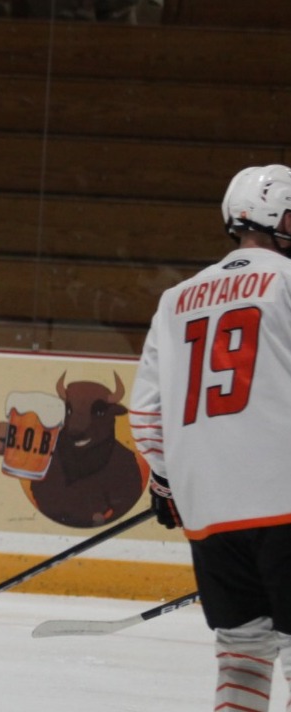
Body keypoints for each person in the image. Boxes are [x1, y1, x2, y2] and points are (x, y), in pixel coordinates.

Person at [130, 164, 291, 712]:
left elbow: (147, 415)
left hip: (211, 515)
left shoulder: (176, 299)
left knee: (243, 650)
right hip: (286, 501)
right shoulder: (288, 283)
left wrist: (167, 483)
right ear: (273, 218)